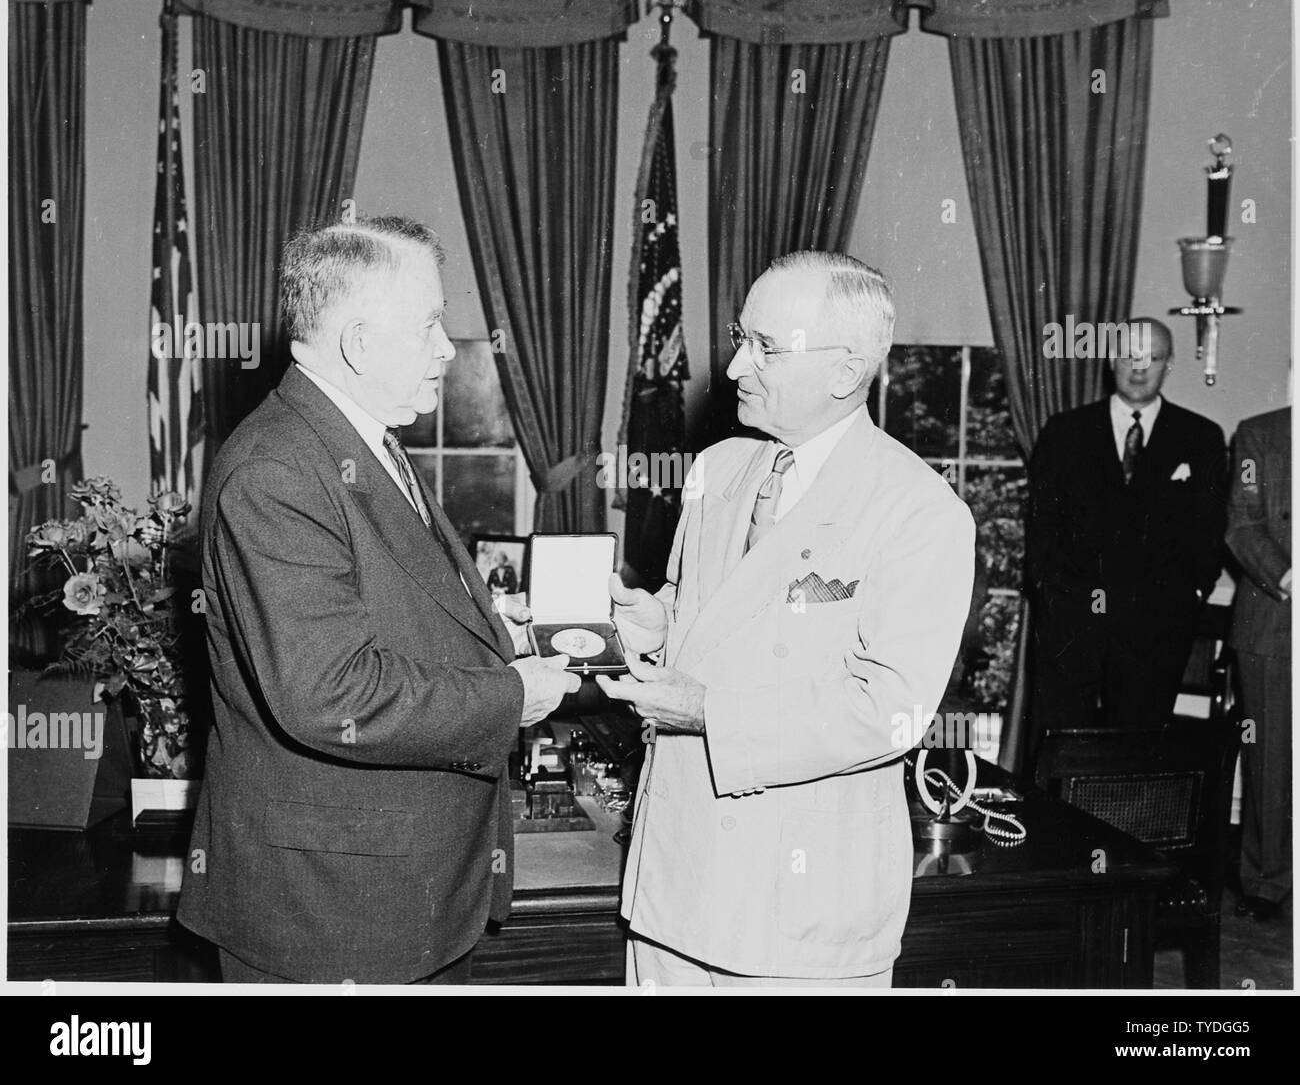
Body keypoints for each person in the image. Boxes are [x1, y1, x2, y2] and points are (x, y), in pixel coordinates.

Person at [177, 217, 578, 984]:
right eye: (429, 325)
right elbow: (330, 693)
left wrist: (495, 630)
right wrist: (511, 695)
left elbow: (390, 601)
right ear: (358, 345)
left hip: (397, 894)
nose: (446, 349)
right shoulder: (280, 470)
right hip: (332, 914)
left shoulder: (355, 436)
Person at [596, 251, 975, 987]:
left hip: (795, 907)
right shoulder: (720, 468)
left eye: (765, 346)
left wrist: (710, 712)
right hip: (674, 878)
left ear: (844, 372)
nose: (736, 366)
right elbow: (710, 610)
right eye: (744, 338)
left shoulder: (920, 511)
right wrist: (654, 622)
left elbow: (893, 712)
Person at [1026, 319, 1226, 756]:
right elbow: (1042, 528)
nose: (1139, 369)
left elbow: (1210, 532)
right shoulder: (1065, 432)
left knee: (1136, 753)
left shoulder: (1201, 437)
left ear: (1168, 365)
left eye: (1152, 358)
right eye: (1129, 357)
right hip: (1072, 625)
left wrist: (1191, 592)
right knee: (1057, 747)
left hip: (1156, 627)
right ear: (1110, 360)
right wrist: (1054, 594)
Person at [1225, 406, 1291, 922]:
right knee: (1271, 760)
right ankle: (1268, 885)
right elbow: (1244, 526)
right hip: (1275, 622)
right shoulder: (1260, 436)